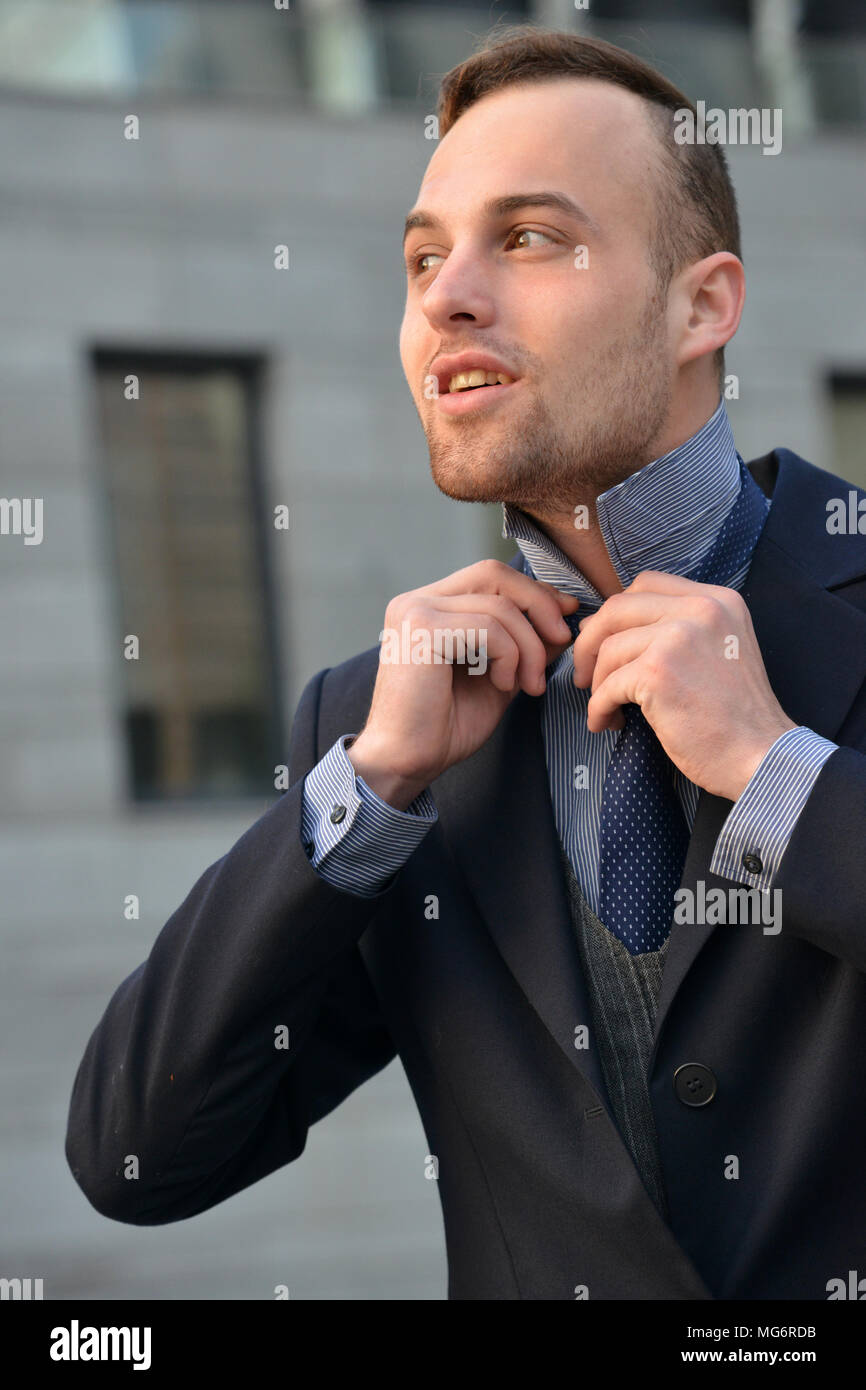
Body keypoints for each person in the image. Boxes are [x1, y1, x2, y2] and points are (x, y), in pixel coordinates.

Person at [66, 27, 866, 1300]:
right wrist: (372, 784)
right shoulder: (379, 728)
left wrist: (780, 781)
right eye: (424, 256)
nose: (447, 295)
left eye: (531, 238)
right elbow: (134, 1154)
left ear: (700, 304)